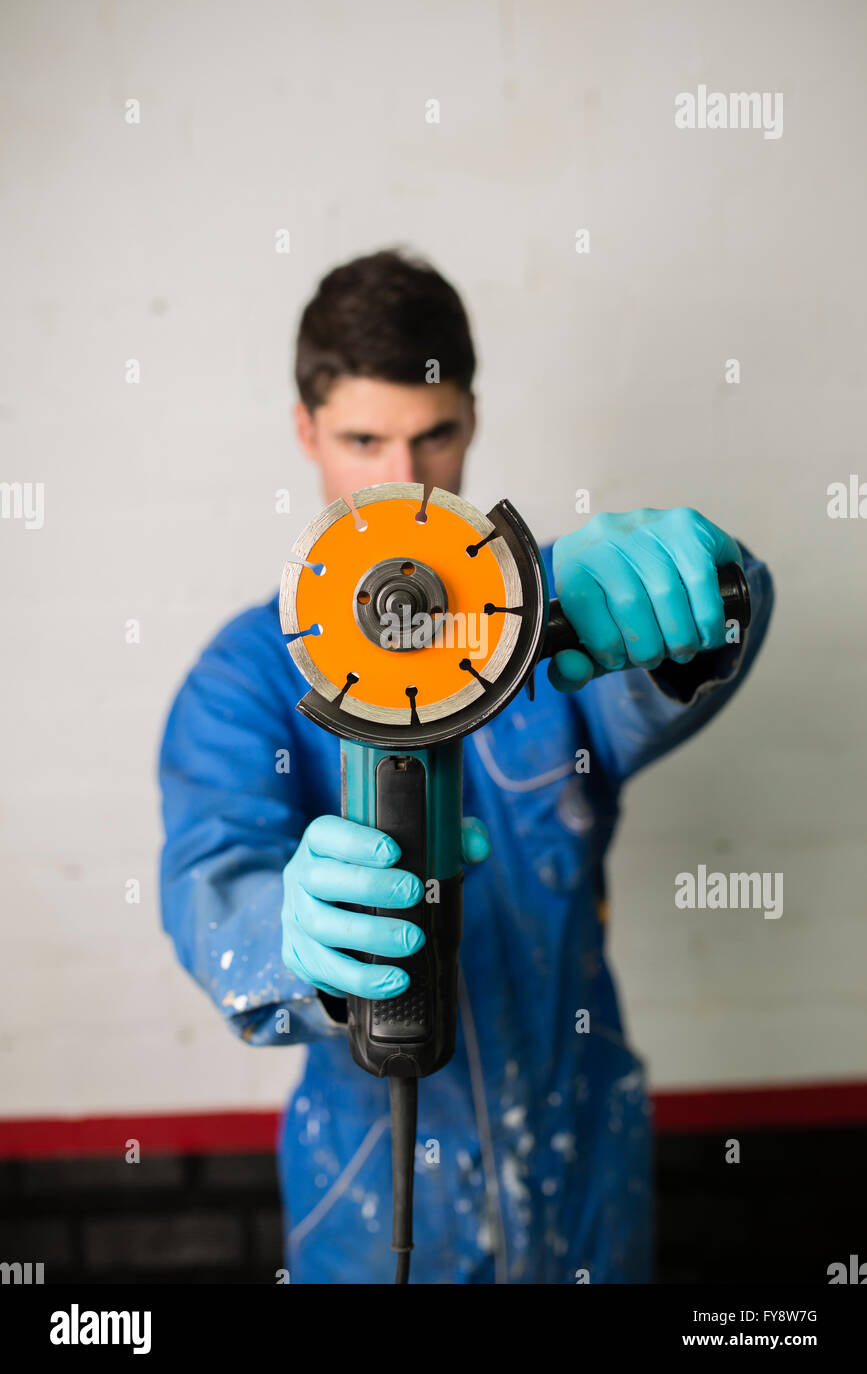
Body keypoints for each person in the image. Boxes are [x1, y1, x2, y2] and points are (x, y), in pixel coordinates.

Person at [158, 248, 774, 1284]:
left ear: (472, 421)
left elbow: (696, 651)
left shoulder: (543, 629)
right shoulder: (246, 677)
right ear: (306, 431)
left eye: (432, 435)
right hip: (375, 1194)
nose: (402, 482)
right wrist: (290, 933)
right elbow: (210, 879)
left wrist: (699, 593)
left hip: (585, 1175)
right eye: (364, 440)